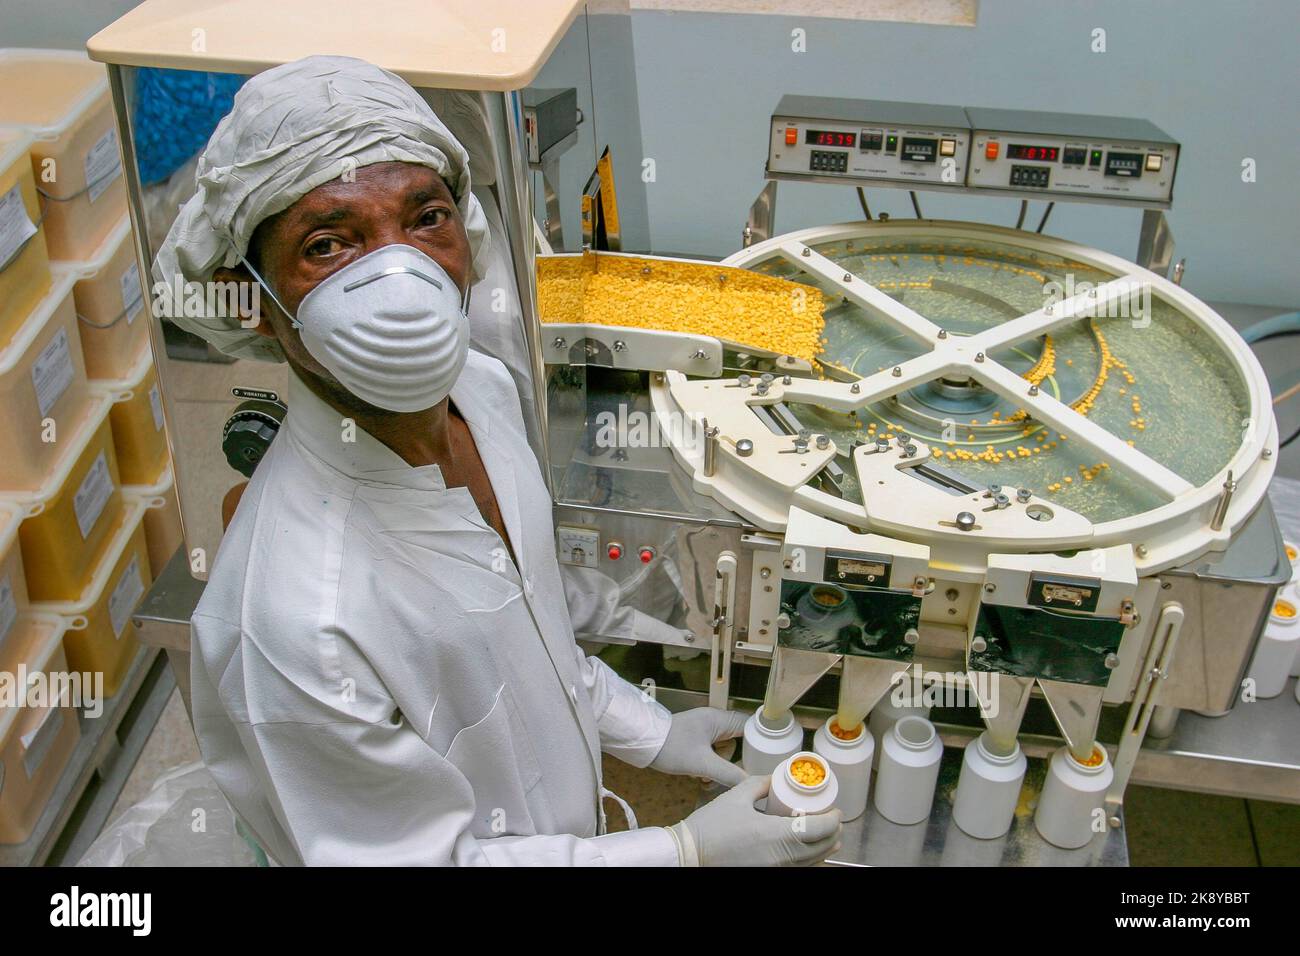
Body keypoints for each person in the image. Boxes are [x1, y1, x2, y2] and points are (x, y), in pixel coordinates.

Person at [156, 56, 841, 866]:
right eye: (329, 243)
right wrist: (683, 851)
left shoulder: (480, 392)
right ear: (255, 301)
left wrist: (653, 734)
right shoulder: (295, 621)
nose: (399, 281)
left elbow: (532, 635)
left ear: (467, 235)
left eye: (425, 219)